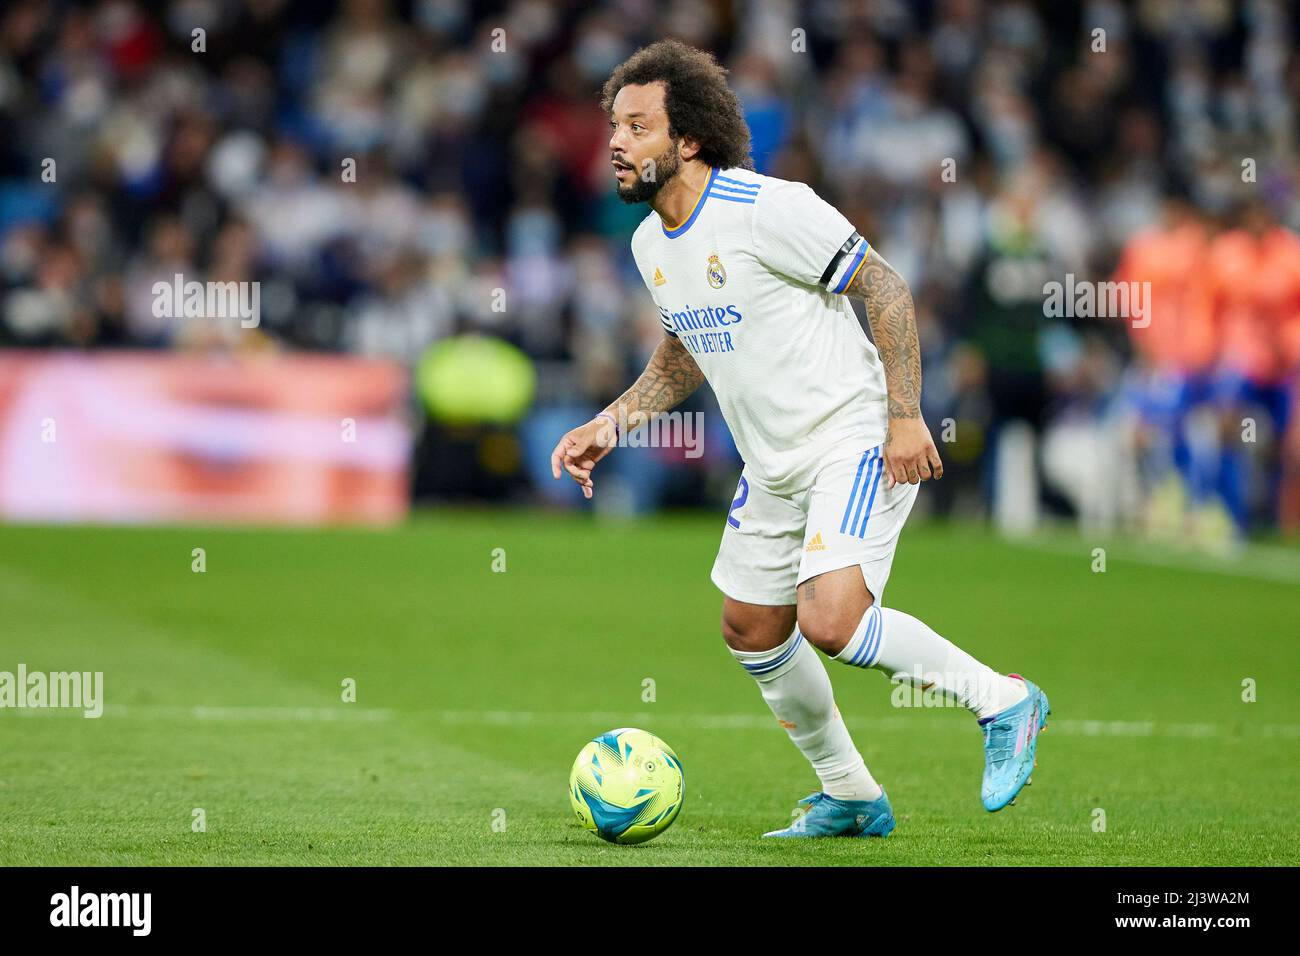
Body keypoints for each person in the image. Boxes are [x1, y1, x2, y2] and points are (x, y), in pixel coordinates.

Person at [550, 40, 1049, 838]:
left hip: (850, 435)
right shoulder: (649, 243)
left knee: (831, 618)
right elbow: (686, 346)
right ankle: (851, 793)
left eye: (638, 127)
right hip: (774, 462)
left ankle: (1005, 702)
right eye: (614, 125)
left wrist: (905, 414)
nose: (615, 141)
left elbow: (882, 284)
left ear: (687, 140)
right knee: (751, 628)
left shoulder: (767, 208)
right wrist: (613, 421)